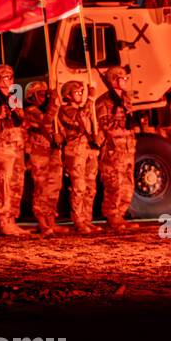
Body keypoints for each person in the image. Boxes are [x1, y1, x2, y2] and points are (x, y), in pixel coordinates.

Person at [0, 63, 30, 236]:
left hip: (17, 147)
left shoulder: (14, 98)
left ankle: (12, 219)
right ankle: (4, 219)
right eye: (6, 77)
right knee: (5, 185)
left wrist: (22, 120)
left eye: (11, 77)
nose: (10, 81)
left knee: (17, 184)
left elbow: (23, 120)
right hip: (2, 148)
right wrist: (5, 118)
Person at [96, 65, 138, 232]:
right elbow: (104, 124)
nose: (126, 81)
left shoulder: (126, 99)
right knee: (114, 184)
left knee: (128, 184)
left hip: (127, 149)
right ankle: (113, 216)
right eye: (123, 78)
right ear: (113, 80)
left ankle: (121, 214)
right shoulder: (104, 101)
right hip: (113, 150)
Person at [57, 80, 101, 234]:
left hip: (88, 149)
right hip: (75, 150)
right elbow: (80, 116)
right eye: (77, 92)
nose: (80, 95)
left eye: (81, 92)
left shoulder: (84, 109)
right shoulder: (65, 110)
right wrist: (91, 99)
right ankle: (78, 220)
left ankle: (87, 219)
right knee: (79, 186)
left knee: (90, 187)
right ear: (68, 95)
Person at [22, 80, 62, 236]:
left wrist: (60, 136)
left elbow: (55, 127)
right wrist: (53, 102)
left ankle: (51, 220)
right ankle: (42, 222)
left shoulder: (49, 111)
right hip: (39, 153)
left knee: (54, 186)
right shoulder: (31, 111)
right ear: (32, 96)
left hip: (52, 151)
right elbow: (45, 123)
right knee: (41, 187)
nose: (44, 97)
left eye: (45, 95)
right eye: (40, 94)